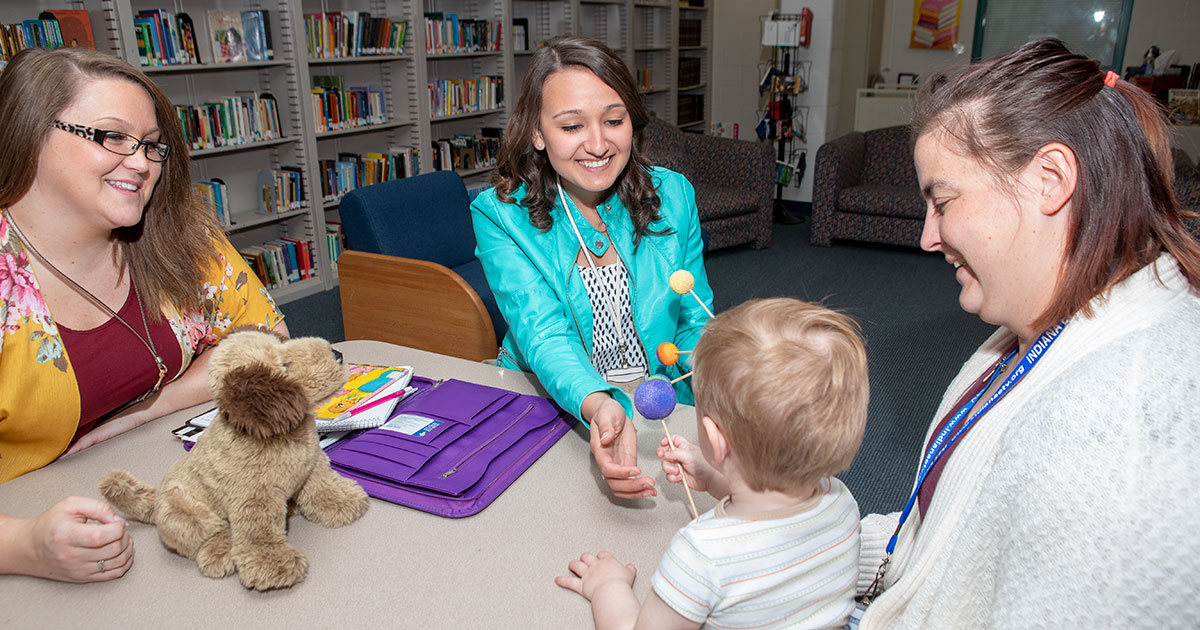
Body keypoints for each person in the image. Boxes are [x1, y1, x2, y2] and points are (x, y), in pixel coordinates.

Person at [853, 39, 1200, 628]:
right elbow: (944, 535)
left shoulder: (1115, 455)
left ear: (1050, 179)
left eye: (943, 201)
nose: (928, 238)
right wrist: (800, 535)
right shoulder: (1044, 327)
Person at [0, 48, 287, 581]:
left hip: (167, 494)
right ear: (29, 134)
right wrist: (23, 545)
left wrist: (150, 407)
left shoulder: (181, 235)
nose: (141, 163)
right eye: (113, 137)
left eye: (152, 145)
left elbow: (267, 340)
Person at [471, 36, 713, 499]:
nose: (599, 145)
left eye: (614, 120)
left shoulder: (674, 195)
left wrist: (722, 385)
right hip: (557, 399)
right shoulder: (499, 215)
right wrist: (598, 403)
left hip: (661, 402)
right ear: (538, 133)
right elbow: (544, 334)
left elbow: (694, 319)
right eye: (571, 126)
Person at [556, 298, 870, 629]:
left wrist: (608, 587)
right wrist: (713, 477)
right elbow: (770, 506)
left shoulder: (701, 556)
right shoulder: (841, 501)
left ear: (714, 438)